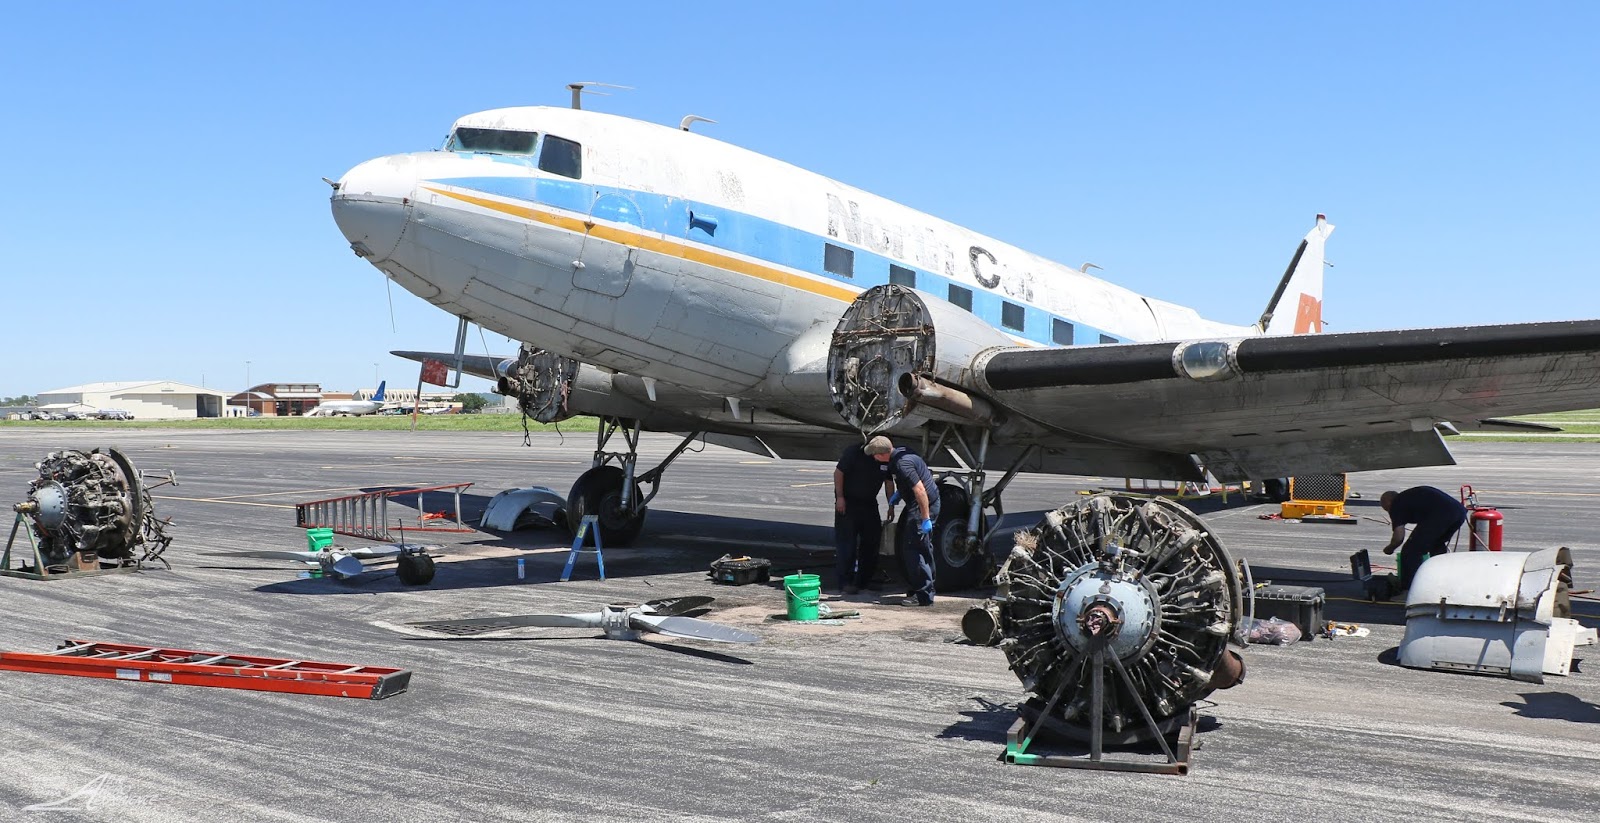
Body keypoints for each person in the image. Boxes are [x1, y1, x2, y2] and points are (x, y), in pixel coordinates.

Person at [877, 438, 940, 607]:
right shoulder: (900, 454)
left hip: (922, 506)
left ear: (883, 454)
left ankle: (923, 595)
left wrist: (925, 518)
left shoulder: (902, 464)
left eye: (874, 455)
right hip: (926, 503)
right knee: (924, 547)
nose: (873, 458)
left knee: (914, 550)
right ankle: (925, 589)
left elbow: (920, 490)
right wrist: (898, 495)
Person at [833, 436, 895, 595]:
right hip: (849, 503)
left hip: (869, 503)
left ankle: (864, 581)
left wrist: (891, 505)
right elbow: (838, 473)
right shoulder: (854, 453)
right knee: (847, 544)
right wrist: (840, 498)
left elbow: (889, 482)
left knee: (872, 543)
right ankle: (845, 582)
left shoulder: (886, 459)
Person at [1379, 486, 1468, 594]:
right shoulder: (1408, 499)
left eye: (1386, 509)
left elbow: (1399, 537)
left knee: (1411, 551)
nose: (1389, 512)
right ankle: (1441, 583)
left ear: (1388, 502)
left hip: (1441, 514)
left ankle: (1410, 590)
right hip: (1459, 512)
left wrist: (1390, 548)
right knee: (1436, 546)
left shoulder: (1396, 504)